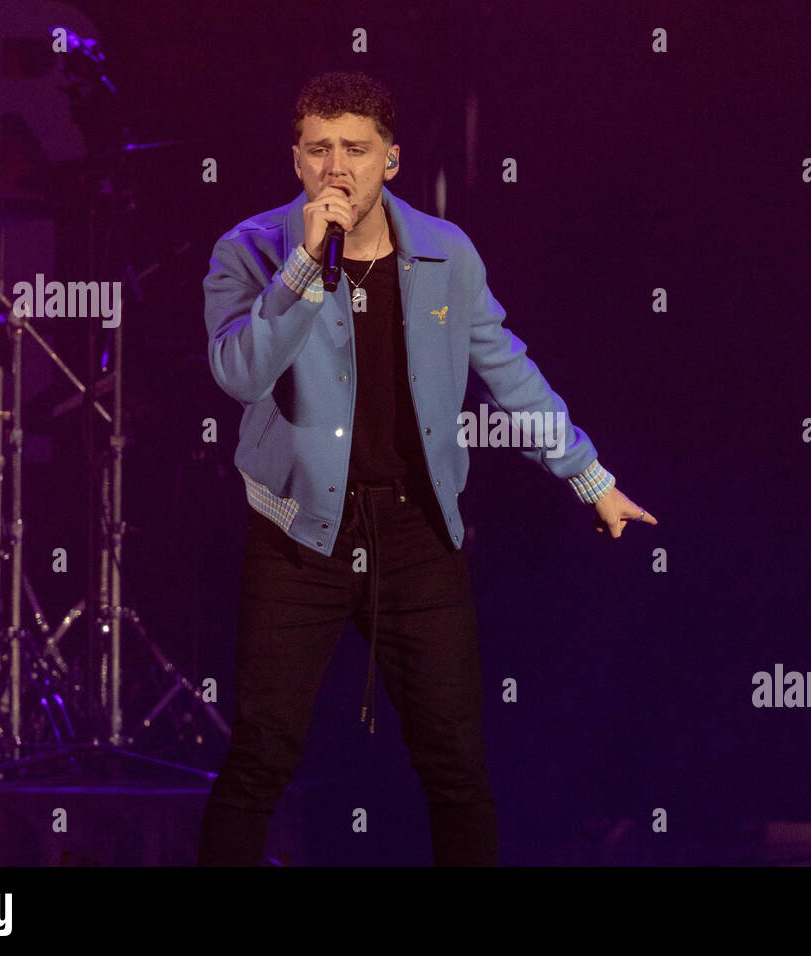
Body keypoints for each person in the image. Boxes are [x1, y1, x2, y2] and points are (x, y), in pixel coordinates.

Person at [198, 71, 656, 866]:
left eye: (356, 149)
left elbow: (506, 369)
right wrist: (305, 269)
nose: (337, 168)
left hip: (416, 534)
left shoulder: (448, 253)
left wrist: (588, 477)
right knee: (261, 755)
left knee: (454, 760)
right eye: (319, 150)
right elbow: (239, 373)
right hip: (296, 533)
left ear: (392, 160)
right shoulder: (249, 249)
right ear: (297, 159)